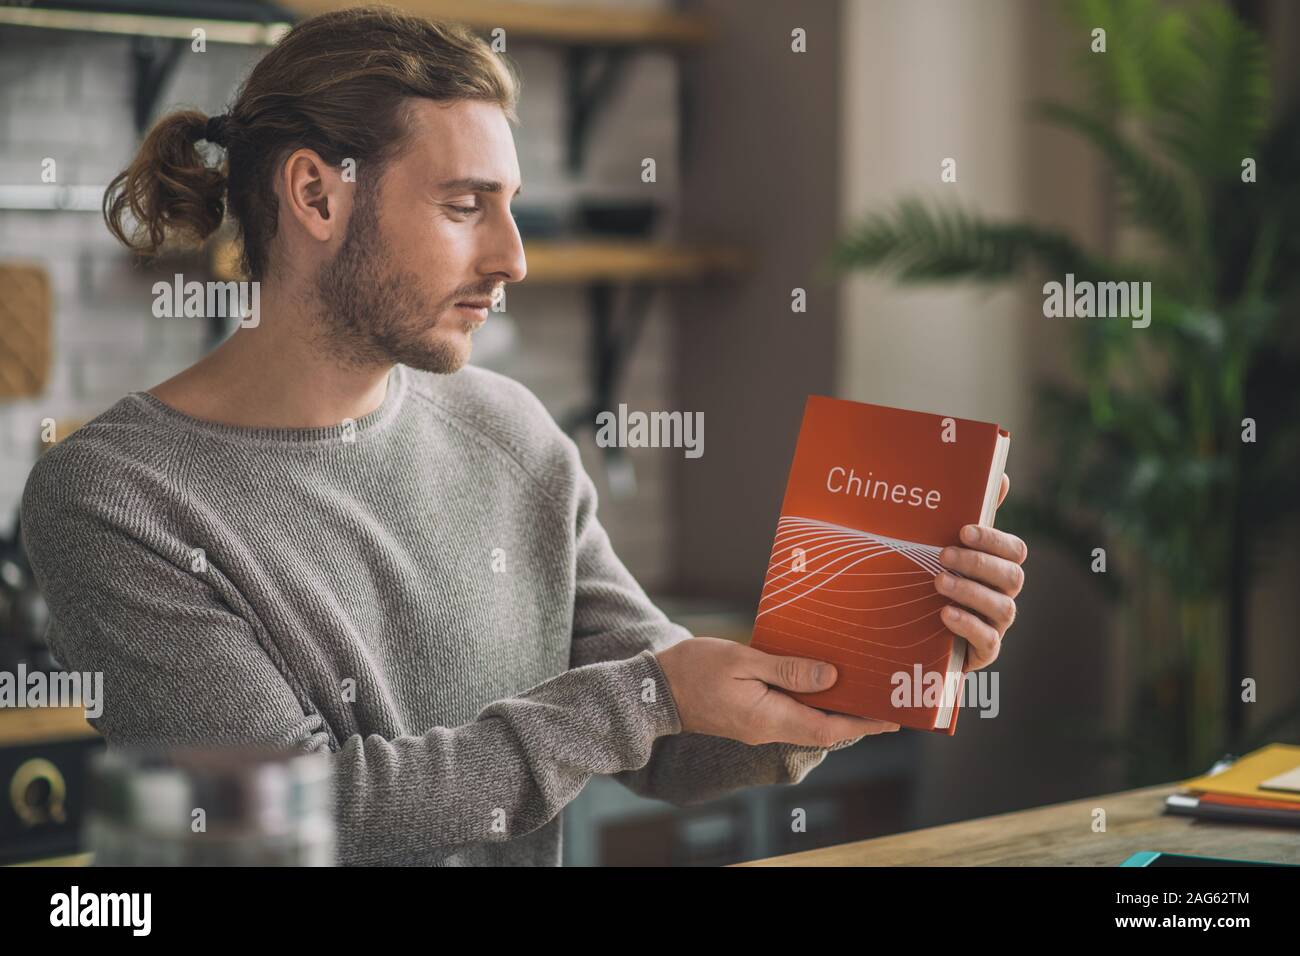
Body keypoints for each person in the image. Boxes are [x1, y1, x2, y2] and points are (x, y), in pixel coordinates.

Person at [20, 6, 1027, 865]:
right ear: (317, 195)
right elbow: (288, 820)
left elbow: (671, 734)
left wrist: (874, 665)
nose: (512, 258)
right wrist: (637, 696)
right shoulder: (115, 495)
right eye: (465, 206)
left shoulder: (508, 429)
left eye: (509, 207)